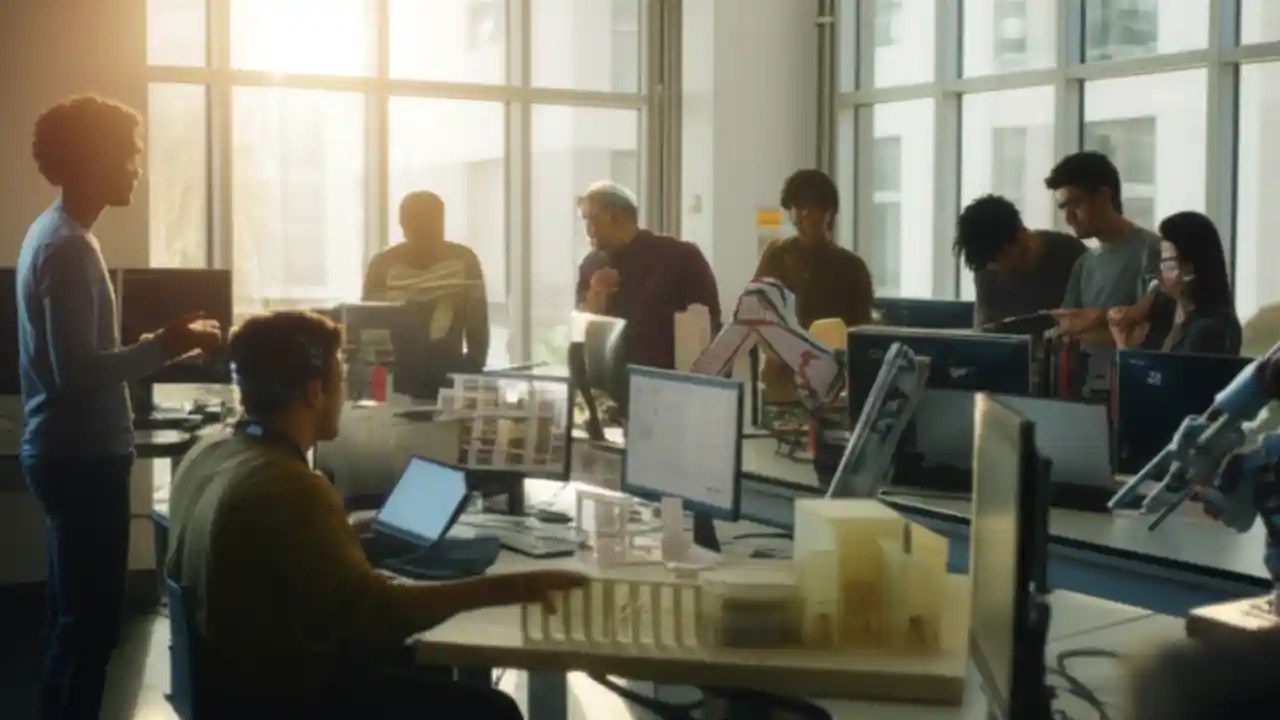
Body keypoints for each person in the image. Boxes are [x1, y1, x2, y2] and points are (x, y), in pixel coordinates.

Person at [166, 310, 587, 718]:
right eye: (341, 382)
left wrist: (340, 534)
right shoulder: (288, 484)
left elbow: (263, 556)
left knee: (427, 670)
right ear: (314, 392)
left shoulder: (209, 452)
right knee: (493, 710)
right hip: (289, 701)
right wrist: (508, 588)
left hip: (235, 691)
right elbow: (378, 616)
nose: (344, 397)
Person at [16, 95, 222, 720]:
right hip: (82, 458)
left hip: (65, 453)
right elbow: (77, 372)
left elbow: (76, 361)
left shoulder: (56, 234)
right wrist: (164, 347)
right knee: (91, 631)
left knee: (70, 624)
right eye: (131, 154)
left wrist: (162, 347)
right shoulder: (70, 249)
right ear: (96, 158)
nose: (138, 167)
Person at [576, 180, 721, 369]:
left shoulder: (680, 257)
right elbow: (580, 333)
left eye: (591, 219)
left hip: (668, 378)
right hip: (606, 380)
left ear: (616, 215)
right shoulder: (590, 266)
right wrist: (593, 302)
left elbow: (709, 325)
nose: (587, 230)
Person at [755, 169, 873, 400]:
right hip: (781, 382)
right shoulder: (777, 256)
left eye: (808, 209)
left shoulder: (851, 267)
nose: (800, 217)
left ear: (828, 212)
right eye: (795, 208)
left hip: (831, 383)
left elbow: (861, 334)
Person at [1044, 151, 1170, 346]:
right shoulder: (1084, 264)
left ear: (1103, 197)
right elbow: (1067, 330)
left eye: (1075, 205)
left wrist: (1099, 322)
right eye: (1063, 209)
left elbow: (1153, 332)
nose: (1069, 219)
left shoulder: (1154, 252)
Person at [363, 191, 488, 372]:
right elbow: (368, 326)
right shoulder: (383, 265)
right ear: (404, 226)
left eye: (431, 225)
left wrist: (470, 372)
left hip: (448, 369)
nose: (426, 233)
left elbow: (478, 329)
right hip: (396, 371)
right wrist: (377, 379)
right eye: (419, 226)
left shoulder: (465, 261)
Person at [1111, 211, 1241, 355]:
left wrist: (1123, 348)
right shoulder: (1173, 313)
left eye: (1167, 263)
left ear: (1190, 269)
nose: (1159, 272)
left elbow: (1172, 370)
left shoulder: (1206, 332)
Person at [952, 194, 1086, 329]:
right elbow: (986, 330)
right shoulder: (986, 267)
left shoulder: (1072, 254)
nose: (994, 268)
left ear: (1021, 237)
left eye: (998, 258)